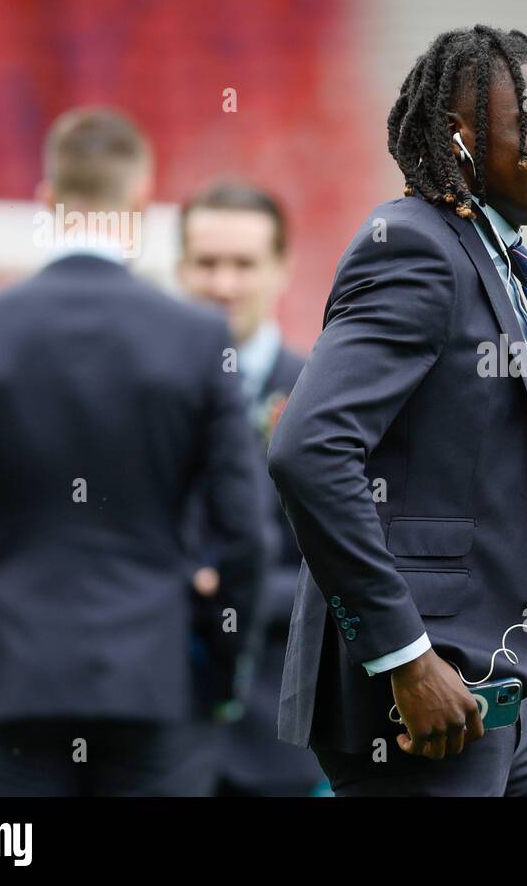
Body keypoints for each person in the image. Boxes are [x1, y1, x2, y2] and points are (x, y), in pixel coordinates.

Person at [268, 25, 527, 796]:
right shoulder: (414, 248)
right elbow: (309, 449)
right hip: (422, 698)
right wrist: (404, 658)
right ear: (462, 136)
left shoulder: (484, 251)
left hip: (491, 680)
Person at [0, 106, 265, 796]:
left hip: (14, 685)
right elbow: (243, 534)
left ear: (46, 202)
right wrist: (216, 673)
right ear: (139, 200)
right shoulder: (195, 339)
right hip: (158, 684)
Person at [177, 179, 328, 796]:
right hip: (159, 730)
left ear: (281, 268)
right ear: (180, 267)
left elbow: (352, 560)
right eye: (207, 264)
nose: (224, 284)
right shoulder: (143, 392)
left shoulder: (326, 395)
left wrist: (223, 589)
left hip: (279, 735)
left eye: (243, 264)